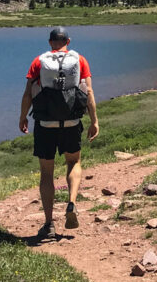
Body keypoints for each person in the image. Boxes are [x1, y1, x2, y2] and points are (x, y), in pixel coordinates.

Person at [19, 26, 99, 238]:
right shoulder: (80, 60)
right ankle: (71, 203)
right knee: (73, 162)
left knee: (47, 173)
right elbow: (88, 92)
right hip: (72, 123)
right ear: (68, 41)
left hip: (45, 125)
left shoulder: (39, 61)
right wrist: (94, 121)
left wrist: (22, 117)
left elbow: (28, 94)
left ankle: (49, 223)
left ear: (50, 42)